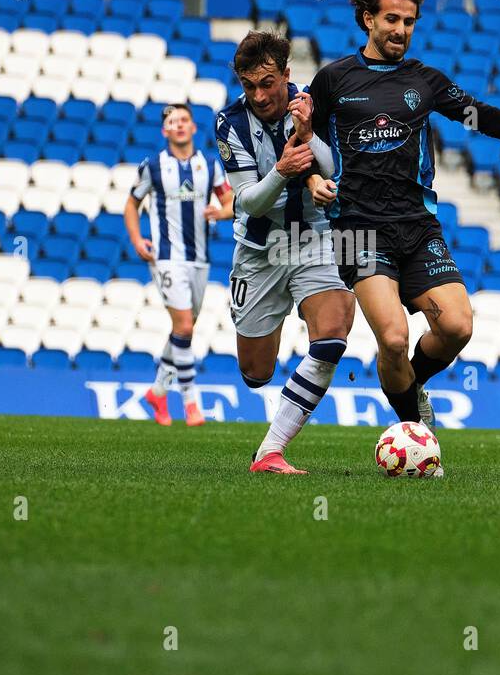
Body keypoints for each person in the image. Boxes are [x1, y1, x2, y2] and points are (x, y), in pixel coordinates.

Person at [306, 0, 500, 426]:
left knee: (458, 327)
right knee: (395, 339)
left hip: (417, 227)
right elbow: (301, 138)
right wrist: (310, 181)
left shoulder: (425, 81)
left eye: (409, 22)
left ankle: (410, 385)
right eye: (391, 20)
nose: (401, 30)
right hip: (355, 229)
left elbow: (480, 115)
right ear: (367, 19)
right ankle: (413, 431)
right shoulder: (332, 79)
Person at [216, 32, 356, 474]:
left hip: (317, 238)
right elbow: (248, 201)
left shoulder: (318, 105)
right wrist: (282, 172)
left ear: (286, 75)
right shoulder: (228, 123)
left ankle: (270, 452)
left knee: (332, 336)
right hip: (260, 249)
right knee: (256, 374)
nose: (258, 95)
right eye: (249, 85)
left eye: (267, 83)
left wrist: (309, 136)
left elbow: (336, 171)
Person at [125, 102, 233, 427]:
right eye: (173, 121)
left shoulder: (209, 165)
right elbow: (131, 205)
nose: (180, 125)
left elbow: (230, 202)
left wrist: (221, 212)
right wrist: (137, 239)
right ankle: (191, 403)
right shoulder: (153, 166)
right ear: (165, 130)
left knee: (182, 331)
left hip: (199, 259)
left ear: (193, 127)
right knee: (185, 327)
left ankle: (157, 393)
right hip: (166, 257)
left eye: (184, 120)